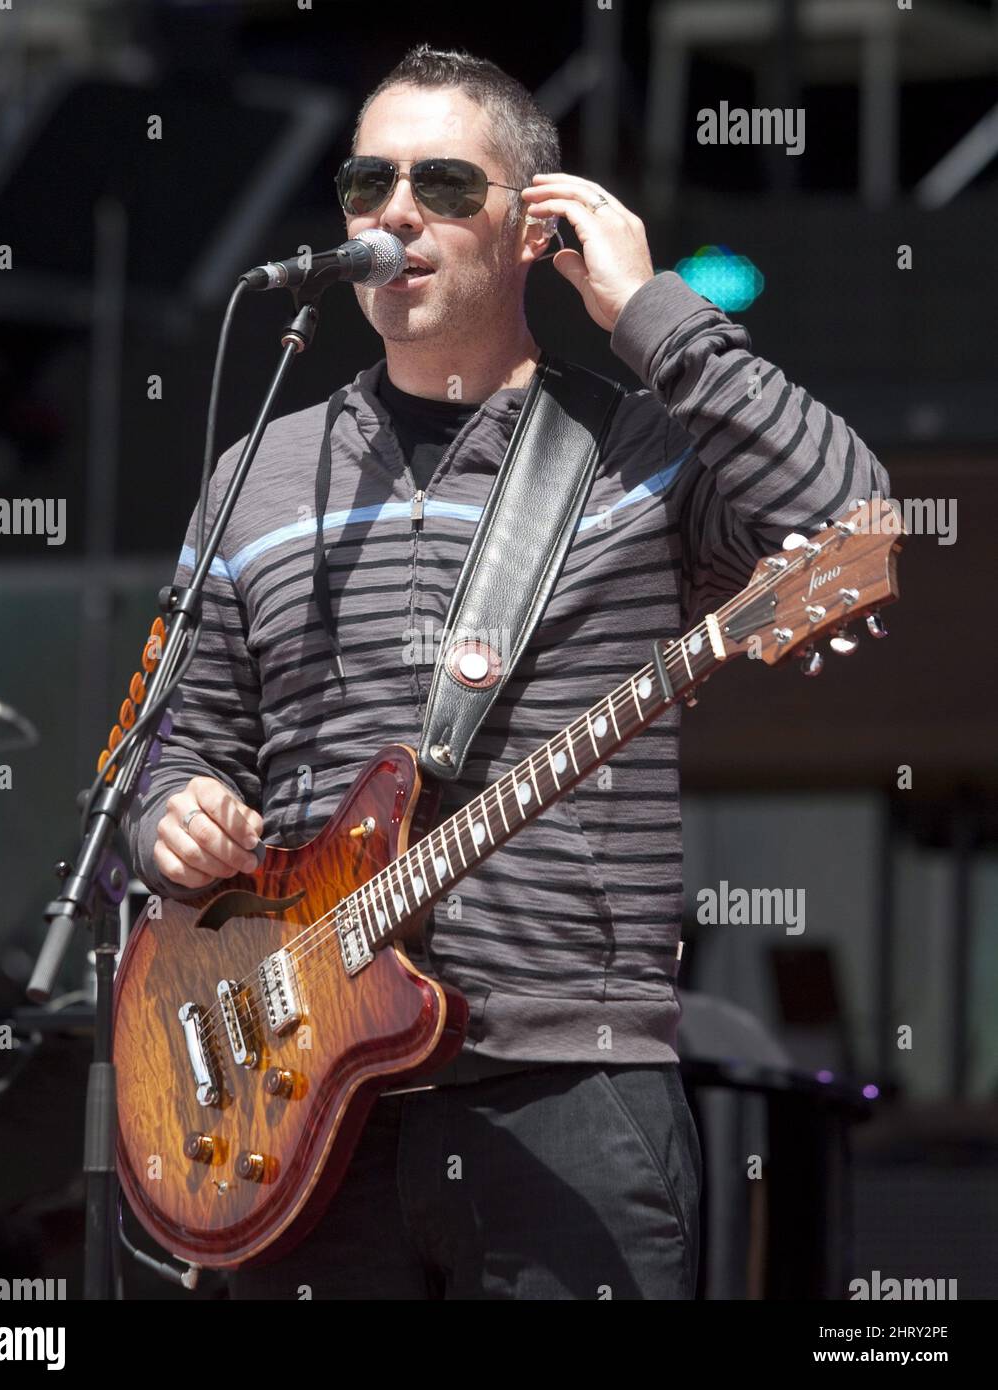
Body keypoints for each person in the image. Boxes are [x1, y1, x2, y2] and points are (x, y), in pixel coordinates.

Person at [124, 45, 889, 1299]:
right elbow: (178, 737)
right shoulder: (258, 472)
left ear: (534, 227)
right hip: (294, 1095)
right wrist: (175, 813)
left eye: (443, 184)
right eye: (368, 180)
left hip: (570, 1088)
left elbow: (854, 521)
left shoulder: (641, 451)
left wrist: (657, 315)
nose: (395, 212)